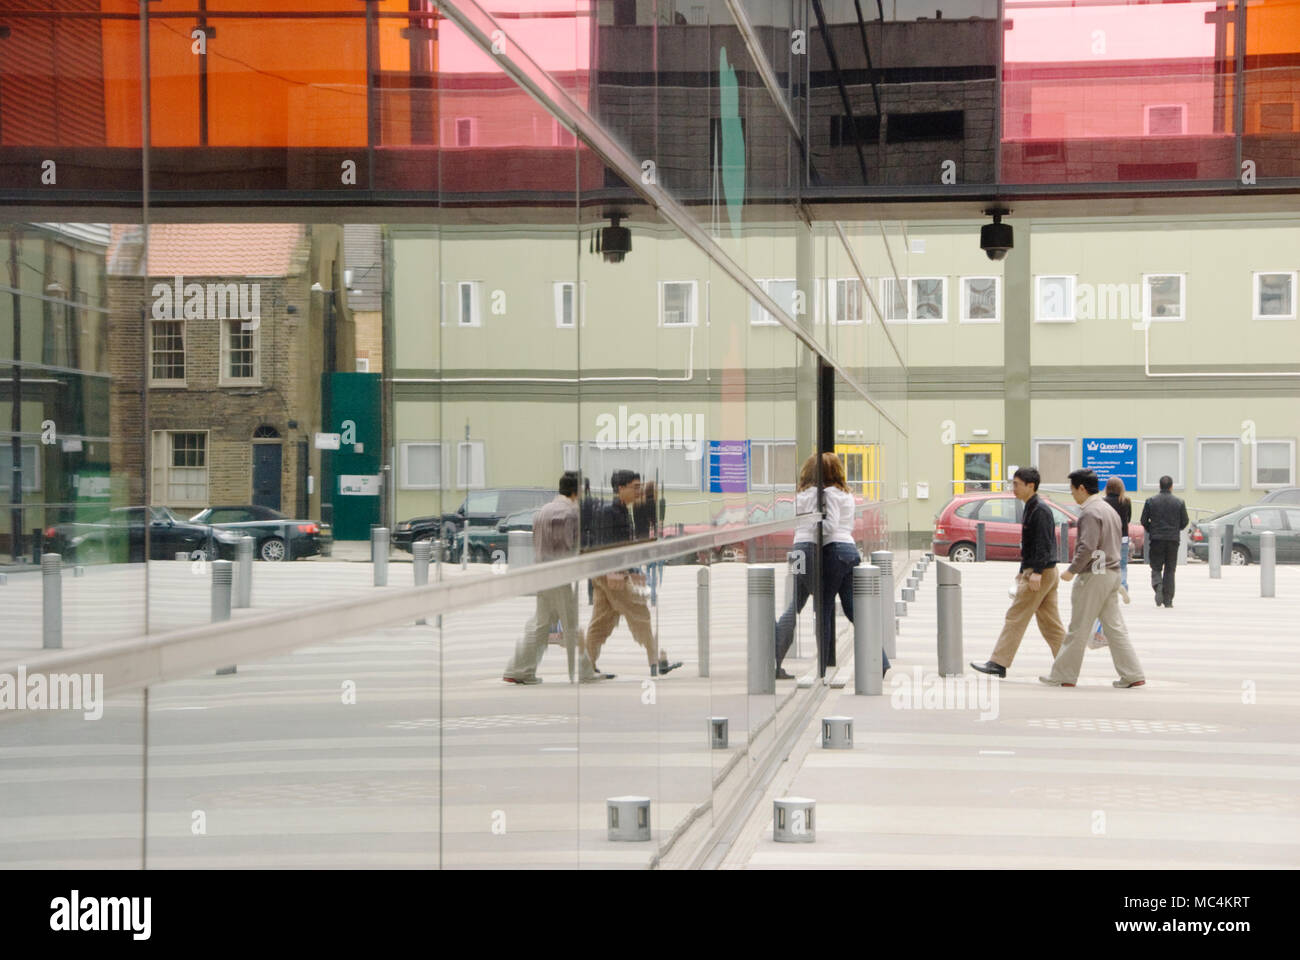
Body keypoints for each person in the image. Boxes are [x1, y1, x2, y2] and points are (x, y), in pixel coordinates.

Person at [1040, 469, 1145, 688]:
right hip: (1112, 573)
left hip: (1094, 574)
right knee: (1115, 628)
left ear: (1081, 488)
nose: (1072, 496)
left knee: (1078, 628)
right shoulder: (1108, 509)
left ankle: (1063, 676)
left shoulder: (1090, 512)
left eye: (1072, 490)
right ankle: (1133, 674)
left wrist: (1073, 569)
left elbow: (1087, 545)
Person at [503, 471, 607, 685]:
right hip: (559, 576)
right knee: (570, 624)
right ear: (575, 490)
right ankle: (584, 671)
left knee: (541, 624)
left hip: (542, 574)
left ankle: (519, 668)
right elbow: (568, 547)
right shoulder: (568, 513)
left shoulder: (543, 511)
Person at [585, 469, 682, 677]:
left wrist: (632, 570)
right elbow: (603, 544)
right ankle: (655, 660)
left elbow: (623, 547)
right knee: (640, 612)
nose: (639, 492)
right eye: (635, 487)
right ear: (621, 488)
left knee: (602, 621)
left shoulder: (621, 510)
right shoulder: (608, 511)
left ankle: (587, 665)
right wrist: (613, 572)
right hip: (609, 574)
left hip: (611, 573)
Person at [970, 465, 1065, 678]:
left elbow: (1043, 543)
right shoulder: (1032, 506)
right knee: (1051, 624)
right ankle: (1067, 665)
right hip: (1043, 571)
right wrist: (1023, 570)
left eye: (1016, 484)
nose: (1013, 488)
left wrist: (1036, 572)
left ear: (1030, 486)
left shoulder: (1039, 509)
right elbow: (1031, 544)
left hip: (1041, 572)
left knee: (1015, 616)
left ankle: (998, 663)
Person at [815, 451, 890, 680]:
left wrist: (812, 522)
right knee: (855, 611)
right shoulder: (846, 493)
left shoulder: (828, 494)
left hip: (833, 550)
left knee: (824, 608)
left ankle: (823, 666)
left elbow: (830, 526)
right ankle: (882, 660)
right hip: (850, 550)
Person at [774, 454, 826, 680]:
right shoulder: (818, 495)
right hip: (810, 549)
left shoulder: (802, 495)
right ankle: (825, 660)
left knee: (795, 605)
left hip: (797, 549)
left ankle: (774, 661)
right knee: (821, 605)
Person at [1089, 476, 1132, 647]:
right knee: (1122, 565)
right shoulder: (1126, 501)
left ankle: (1116, 586)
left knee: (1110, 564)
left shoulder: (1102, 502)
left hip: (1108, 538)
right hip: (1123, 537)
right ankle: (1123, 585)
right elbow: (1128, 519)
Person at [1141, 474, 1189, 608]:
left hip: (1156, 539)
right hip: (1173, 540)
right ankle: (1168, 600)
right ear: (1172, 487)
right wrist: (1175, 529)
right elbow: (1185, 521)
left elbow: (1143, 520)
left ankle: (1158, 585)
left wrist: (1152, 530)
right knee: (1170, 569)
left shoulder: (1150, 501)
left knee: (1156, 567)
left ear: (1159, 486)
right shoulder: (1179, 502)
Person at [633, 479, 664, 606]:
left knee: (641, 566)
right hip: (649, 538)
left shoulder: (637, 504)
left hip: (639, 537)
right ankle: (652, 594)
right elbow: (654, 523)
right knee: (652, 566)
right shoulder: (652, 503)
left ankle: (641, 591)